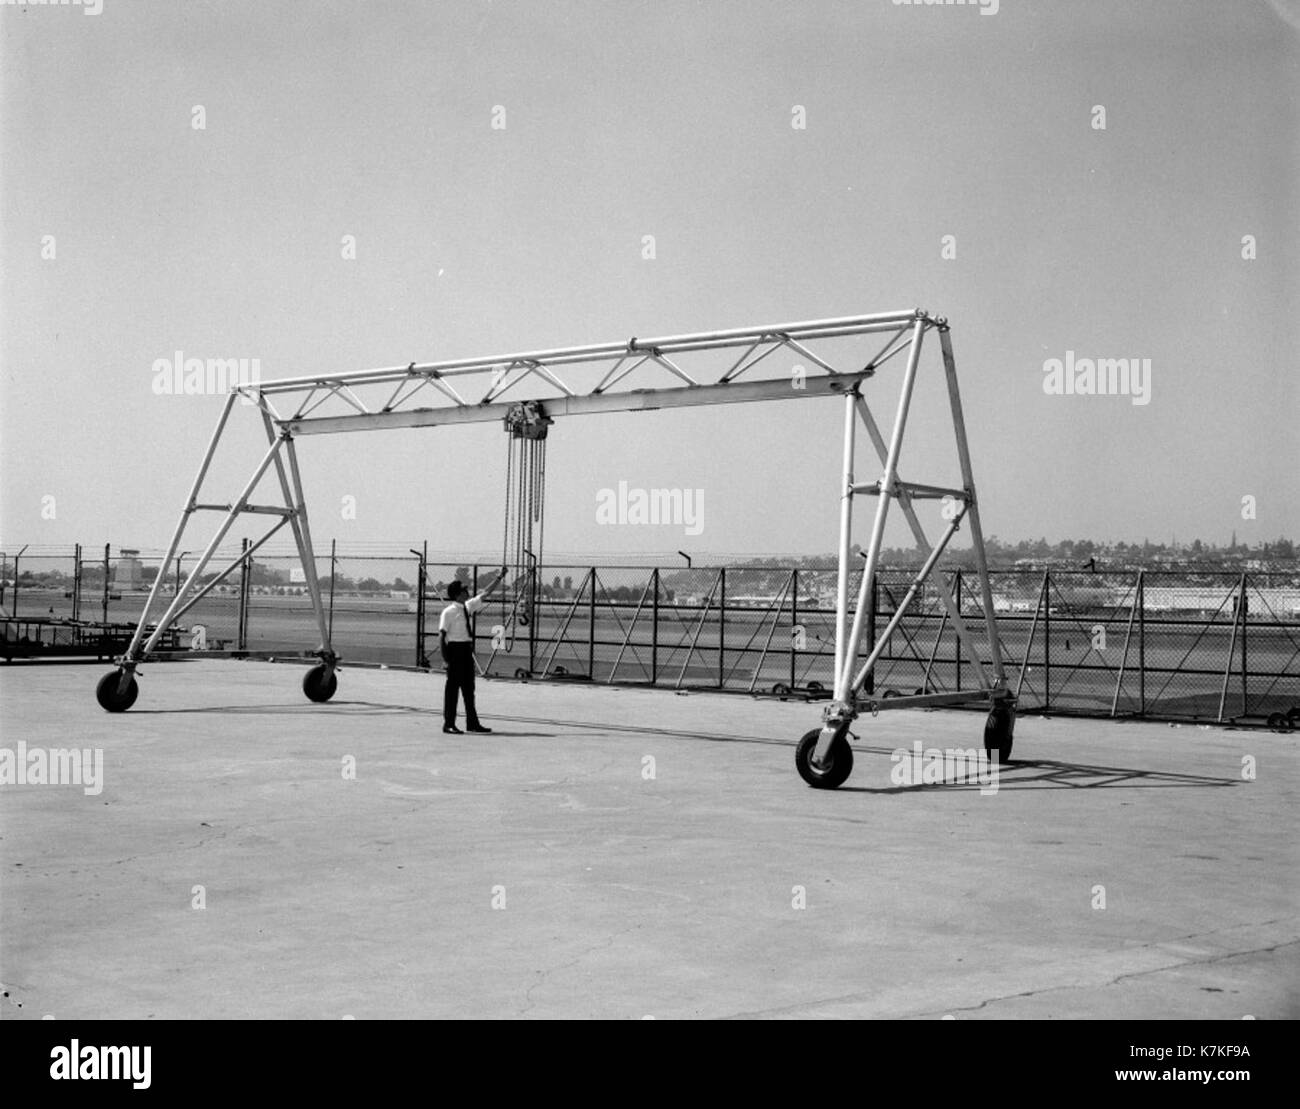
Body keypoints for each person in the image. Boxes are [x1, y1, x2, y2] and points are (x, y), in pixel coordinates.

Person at [438, 568, 507, 734]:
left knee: (469, 690)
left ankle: (472, 723)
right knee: (452, 690)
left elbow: (485, 593)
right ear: (457, 594)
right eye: (464, 590)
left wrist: (499, 577)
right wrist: (446, 659)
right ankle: (449, 723)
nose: (467, 592)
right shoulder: (448, 612)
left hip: (466, 651)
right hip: (454, 651)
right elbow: (441, 637)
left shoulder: (467, 607)